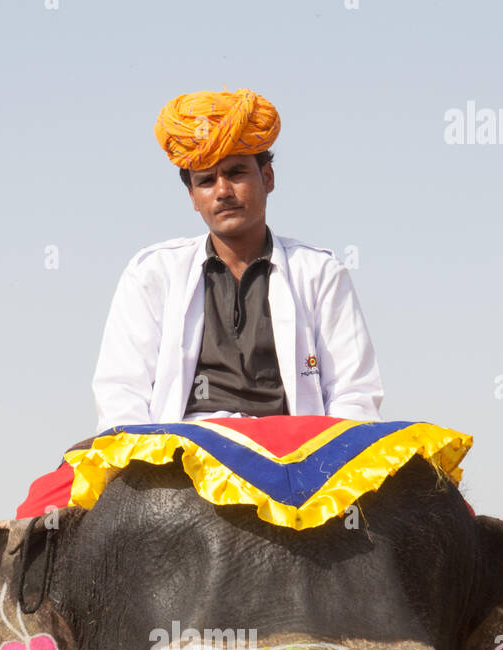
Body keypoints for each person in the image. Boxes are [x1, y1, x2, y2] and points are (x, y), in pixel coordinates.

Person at [92, 87, 383, 431]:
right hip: (184, 446)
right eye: (206, 181)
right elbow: (121, 392)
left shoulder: (319, 272)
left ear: (268, 178)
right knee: (53, 487)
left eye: (236, 173)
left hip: (292, 449)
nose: (222, 192)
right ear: (192, 197)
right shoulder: (152, 273)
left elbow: (354, 394)